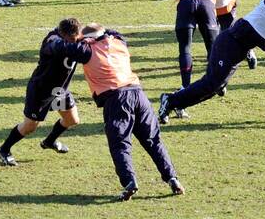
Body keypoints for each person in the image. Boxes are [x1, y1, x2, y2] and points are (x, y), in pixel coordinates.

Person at [71, 24, 183, 201]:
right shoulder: (119, 42)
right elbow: (112, 32)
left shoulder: (86, 50)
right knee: (153, 141)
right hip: (138, 94)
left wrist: (80, 38)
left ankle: (129, 181)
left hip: (116, 99)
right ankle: (172, 178)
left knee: (120, 144)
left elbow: (64, 46)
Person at [0, 17, 85, 166]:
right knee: (30, 126)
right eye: (72, 40)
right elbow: (55, 46)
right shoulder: (52, 40)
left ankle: (49, 141)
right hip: (41, 90)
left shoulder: (77, 38)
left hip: (59, 90)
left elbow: (94, 31)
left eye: (77, 39)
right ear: (64, 35)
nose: (75, 43)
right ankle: (4, 150)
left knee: (72, 119)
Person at [167, 0, 237, 102]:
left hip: (185, 4)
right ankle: (218, 84)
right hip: (206, 4)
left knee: (185, 48)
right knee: (212, 48)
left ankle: (185, 86)